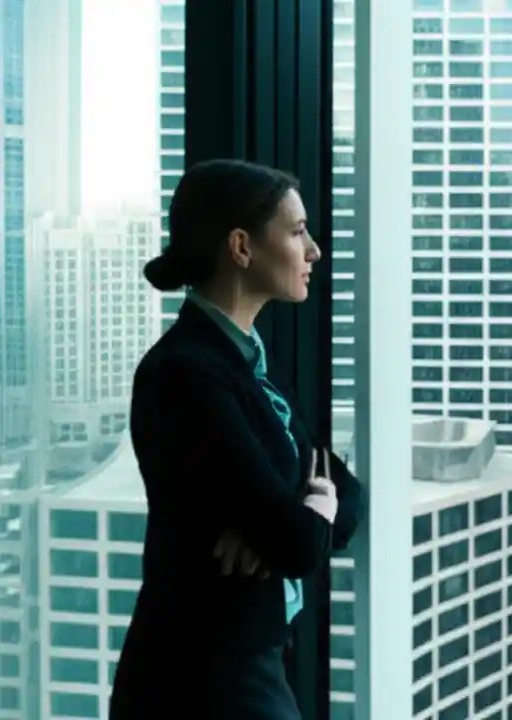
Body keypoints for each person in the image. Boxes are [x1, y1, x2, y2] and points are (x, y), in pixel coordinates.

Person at [109, 159, 363, 719]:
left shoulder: (246, 368)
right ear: (242, 247)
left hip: (247, 665)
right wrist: (303, 508)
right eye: (297, 232)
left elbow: (349, 494)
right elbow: (300, 541)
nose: (314, 250)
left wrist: (290, 515)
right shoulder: (185, 374)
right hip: (199, 681)